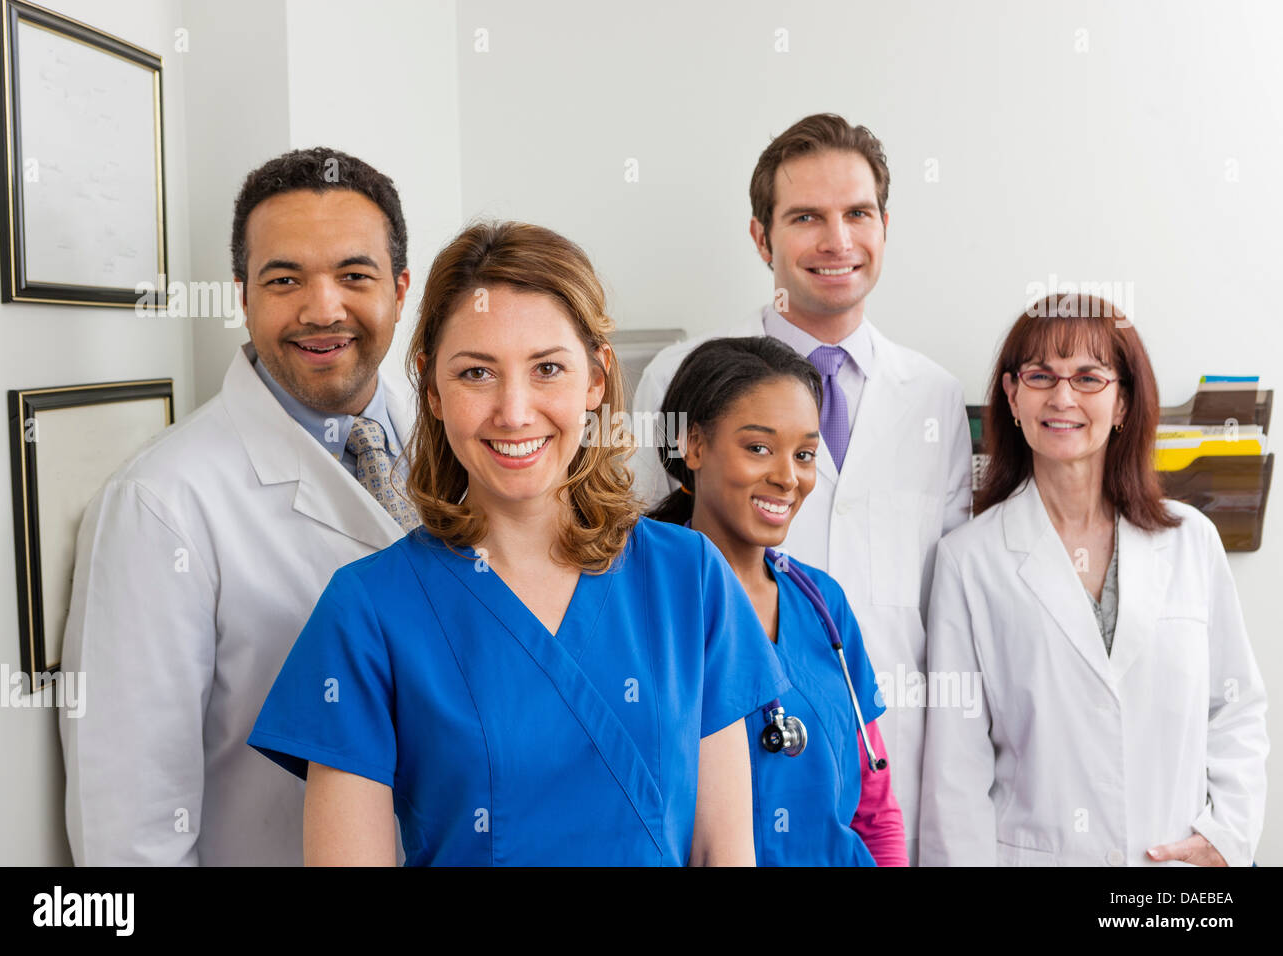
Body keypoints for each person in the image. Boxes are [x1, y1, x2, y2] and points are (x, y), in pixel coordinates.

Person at [247, 221, 790, 866]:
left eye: (548, 369)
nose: (514, 410)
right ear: (432, 389)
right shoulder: (368, 612)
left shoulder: (688, 579)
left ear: (595, 380)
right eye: (477, 372)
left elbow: (722, 852)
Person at [59, 147, 416, 865]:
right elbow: (130, 834)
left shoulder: (459, 445)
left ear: (400, 290)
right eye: (284, 279)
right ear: (241, 295)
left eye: (355, 275)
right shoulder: (160, 506)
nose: (323, 309)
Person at [630, 113, 971, 861]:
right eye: (806, 217)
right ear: (762, 238)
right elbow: (641, 567)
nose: (837, 240)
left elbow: (949, 608)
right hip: (712, 759)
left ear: (885, 225)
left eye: (857, 213)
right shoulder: (679, 378)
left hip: (881, 761)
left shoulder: (935, 397)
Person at [919, 294, 1269, 866]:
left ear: (1123, 400)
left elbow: (1235, 708)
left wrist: (1224, 839)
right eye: (1040, 376)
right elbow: (955, 774)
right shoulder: (968, 561)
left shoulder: (1190, 541)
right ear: (1012, 396)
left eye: (1088, 377)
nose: (1062, 398)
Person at [648, 336, 908, 866]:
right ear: (693, 445)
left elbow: (875, 809)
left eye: (805, 454)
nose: (788, 477)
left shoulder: (822, 605)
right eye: (759, 448)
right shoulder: (642, 608)